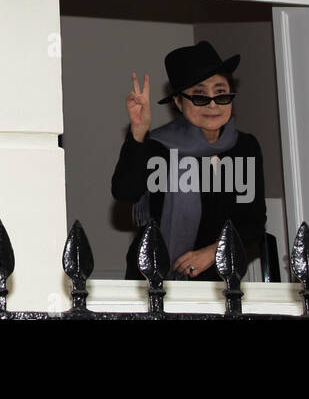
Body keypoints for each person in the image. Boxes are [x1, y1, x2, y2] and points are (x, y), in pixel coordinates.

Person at [110, 40, 266, 281]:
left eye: (220, 92)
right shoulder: (158, 146)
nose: (213, 104)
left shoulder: (244, 148)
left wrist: (213, 252)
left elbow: (253, 224)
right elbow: (125, 191)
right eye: (200, 95)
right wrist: (139, 133)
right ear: (179, 103)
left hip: (216, 278)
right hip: (152, 277)